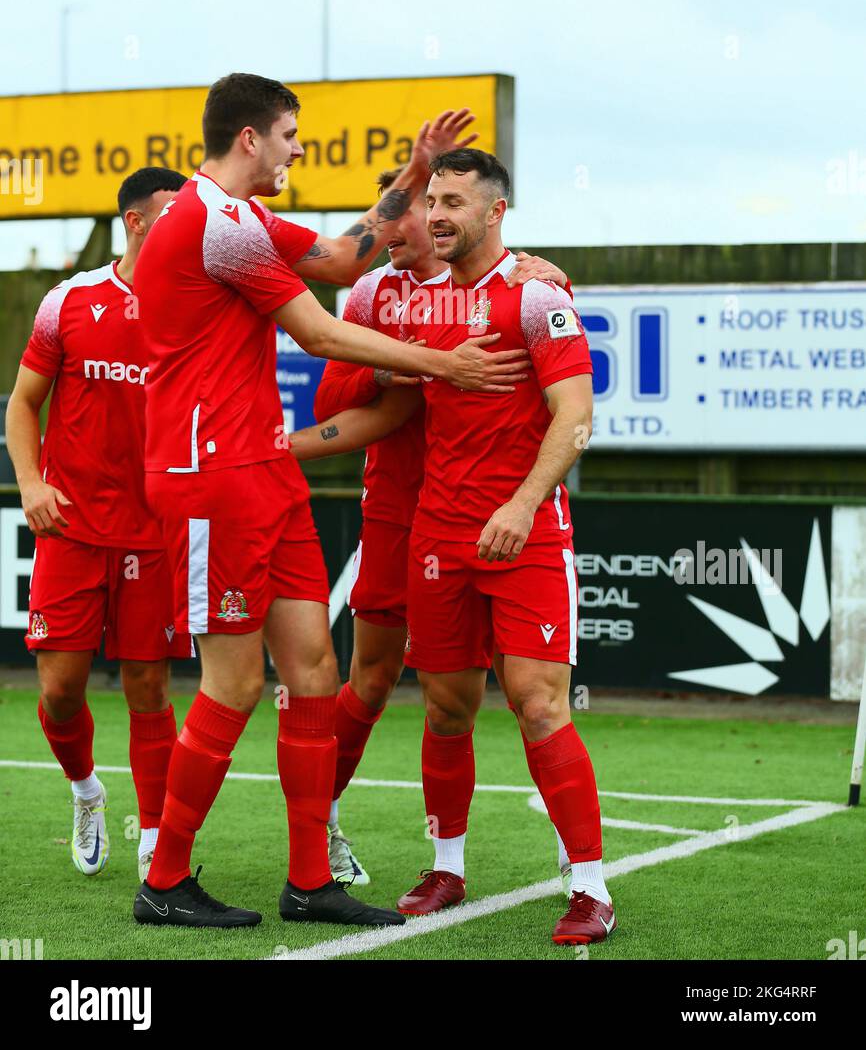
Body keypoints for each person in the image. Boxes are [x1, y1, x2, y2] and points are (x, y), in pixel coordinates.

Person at [132, 73, 530, 930]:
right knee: (235, 684)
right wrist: (444, 363)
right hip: (209, 476)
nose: (297, 149)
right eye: (288, 135)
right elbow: (317, 330)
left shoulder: (244, 220)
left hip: (264, 473)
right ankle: (164, 880)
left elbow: (343, 256)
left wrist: (410, 174)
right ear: (249, 140)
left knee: (314, 671)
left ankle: (309, 879)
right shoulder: (212, 222)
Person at [291, 147, 614, 947]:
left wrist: (523, 501)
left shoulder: (538, 295)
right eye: (432, 199)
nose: (437, 213)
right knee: (444, 707)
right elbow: (372, 395)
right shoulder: (407, 306)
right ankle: (447, 866)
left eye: (454, 201)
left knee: (538, 702)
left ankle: (589, 886)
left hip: (525, 530)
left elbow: (575, 416)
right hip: (435, 532)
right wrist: (278, 446)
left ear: (496, 211)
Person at [6, 167, 193, 883]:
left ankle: (154, 833)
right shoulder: (70, 300)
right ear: (138, 220)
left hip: (155, 532)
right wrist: (31, 483)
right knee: (58, 689)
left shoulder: (196, 306)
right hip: (72, 527)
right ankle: (86, 790)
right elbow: (24, 404)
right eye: (175, 212)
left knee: (148, 686)